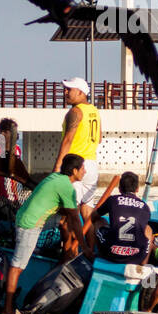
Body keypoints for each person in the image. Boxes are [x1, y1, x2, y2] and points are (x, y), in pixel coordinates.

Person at [2, 153, 89, 314]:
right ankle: (7, 309)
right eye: (83, 168)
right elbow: (76, 220)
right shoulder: (66, 187)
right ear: (74, 171)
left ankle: (66, 255)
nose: (85, 171)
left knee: (64, 220)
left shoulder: (56, 177)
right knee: (18, 266)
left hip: (30, 217)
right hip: (30, 224)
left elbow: (67, 214)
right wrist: (84, 246)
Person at [55, 77, 101, 224]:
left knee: (68, 213)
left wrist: (57, 168)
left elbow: (67, 141)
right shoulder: (94, 110)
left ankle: (70, 247)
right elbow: (99, 138)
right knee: (87, 211)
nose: (65, 92)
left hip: (74, 165)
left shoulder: (75, 112)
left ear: (81, 92)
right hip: (92, 164)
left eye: (69, 89)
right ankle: (90, 246)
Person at [91, 171, 153, 264]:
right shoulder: (145, 206)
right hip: (136, 257)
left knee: (99, 221)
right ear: (137, 189)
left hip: (111, 253)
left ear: (119, 189)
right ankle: (143, 264)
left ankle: (97, 254)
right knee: (148, 229)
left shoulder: (112, 200)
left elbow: (94, 216)